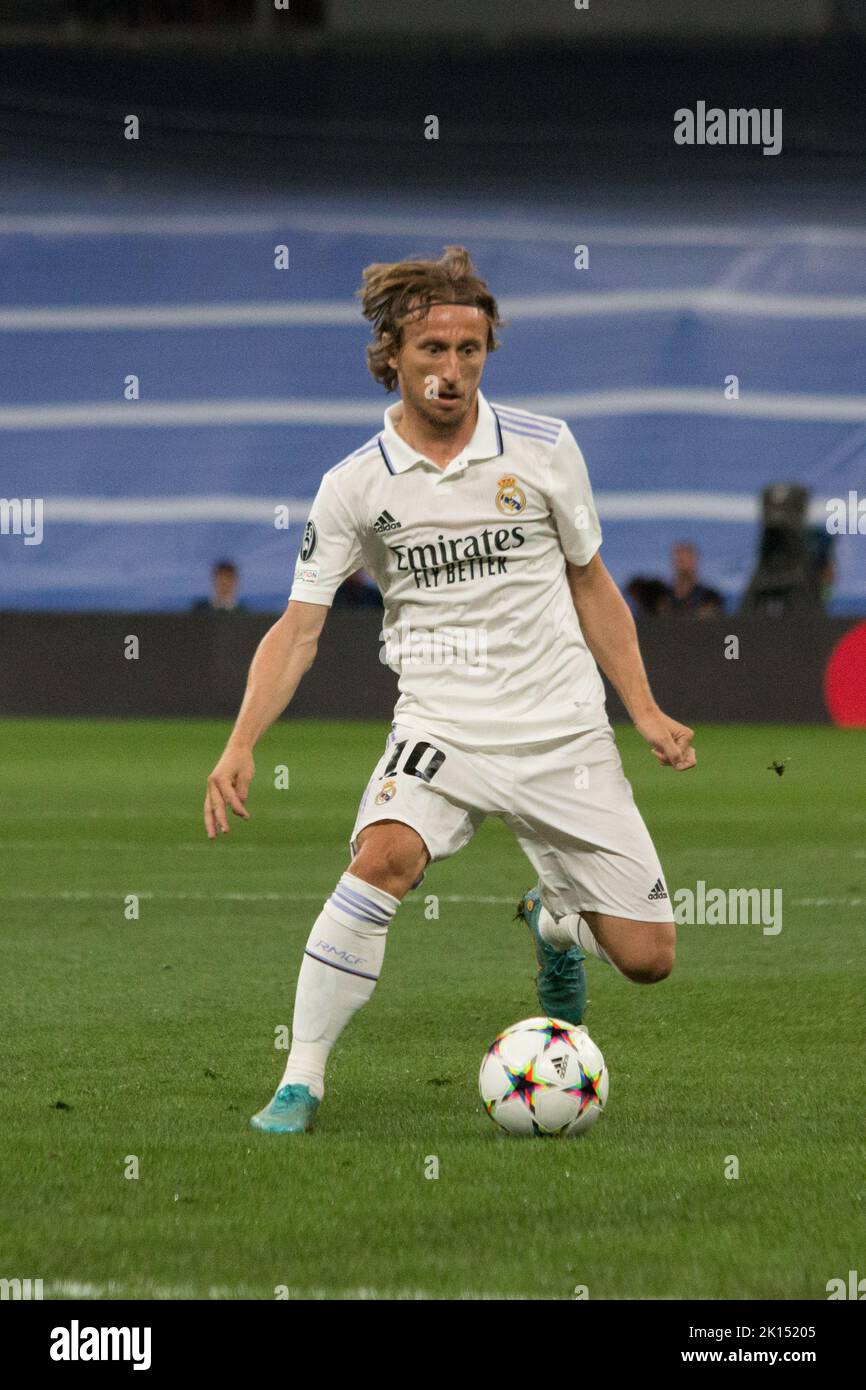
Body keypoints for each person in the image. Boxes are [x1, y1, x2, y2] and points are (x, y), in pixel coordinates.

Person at [203, 246, 696, 1135]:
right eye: (433, 350)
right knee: (381, 858)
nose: (453, 369)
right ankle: (300, 1080)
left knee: (650, 959)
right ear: (391, 353)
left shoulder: (545, 448)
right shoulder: (354, 485)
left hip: (563, 733)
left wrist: (646, 709)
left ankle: (553, 924)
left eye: (470, 350)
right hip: (442, 727)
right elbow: (299, 628)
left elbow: (593, 583)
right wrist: (241, 743)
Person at [669, 542, 723, 618]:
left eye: (684, 561)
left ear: (695, 562)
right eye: (678, 561)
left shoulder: (709, 597)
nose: (681, 566)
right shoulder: (666, 598)